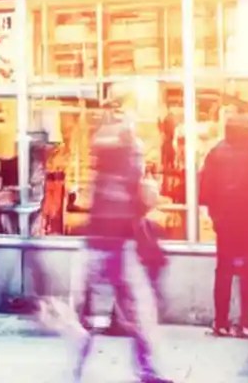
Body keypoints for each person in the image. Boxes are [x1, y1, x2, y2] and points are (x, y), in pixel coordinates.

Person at [73, 95, 171, 383]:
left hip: (99, 246)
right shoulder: (125, 161)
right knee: (139, 313)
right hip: (118, 248)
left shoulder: (104, 163)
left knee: (95, 317)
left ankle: (76, 372)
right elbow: (136, 204)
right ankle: (146, 370)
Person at [199, 114, 248, 338]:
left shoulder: (216, 152)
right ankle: (245, 321)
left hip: (225, 221)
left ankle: (221, 322)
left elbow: (205, 189)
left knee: (224, 271)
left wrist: (215, 215)